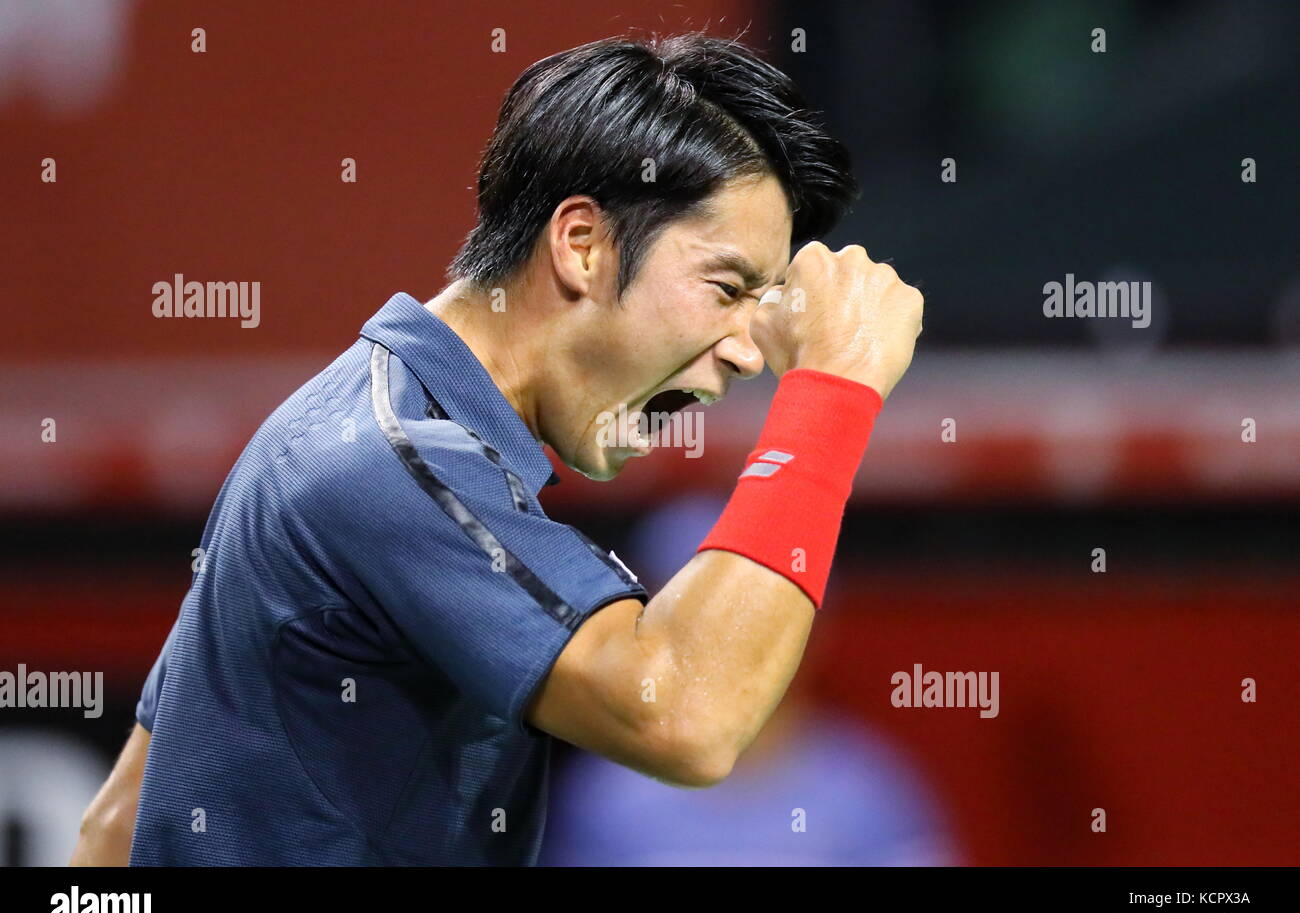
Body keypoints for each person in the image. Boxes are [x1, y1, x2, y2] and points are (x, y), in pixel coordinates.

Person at [71, 32, 923, 866]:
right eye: (725, 289)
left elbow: (118, 825)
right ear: (583, 245)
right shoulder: (383, 461)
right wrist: (833, 394)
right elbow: (684, 716)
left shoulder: (348, 430)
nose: (745, 352)